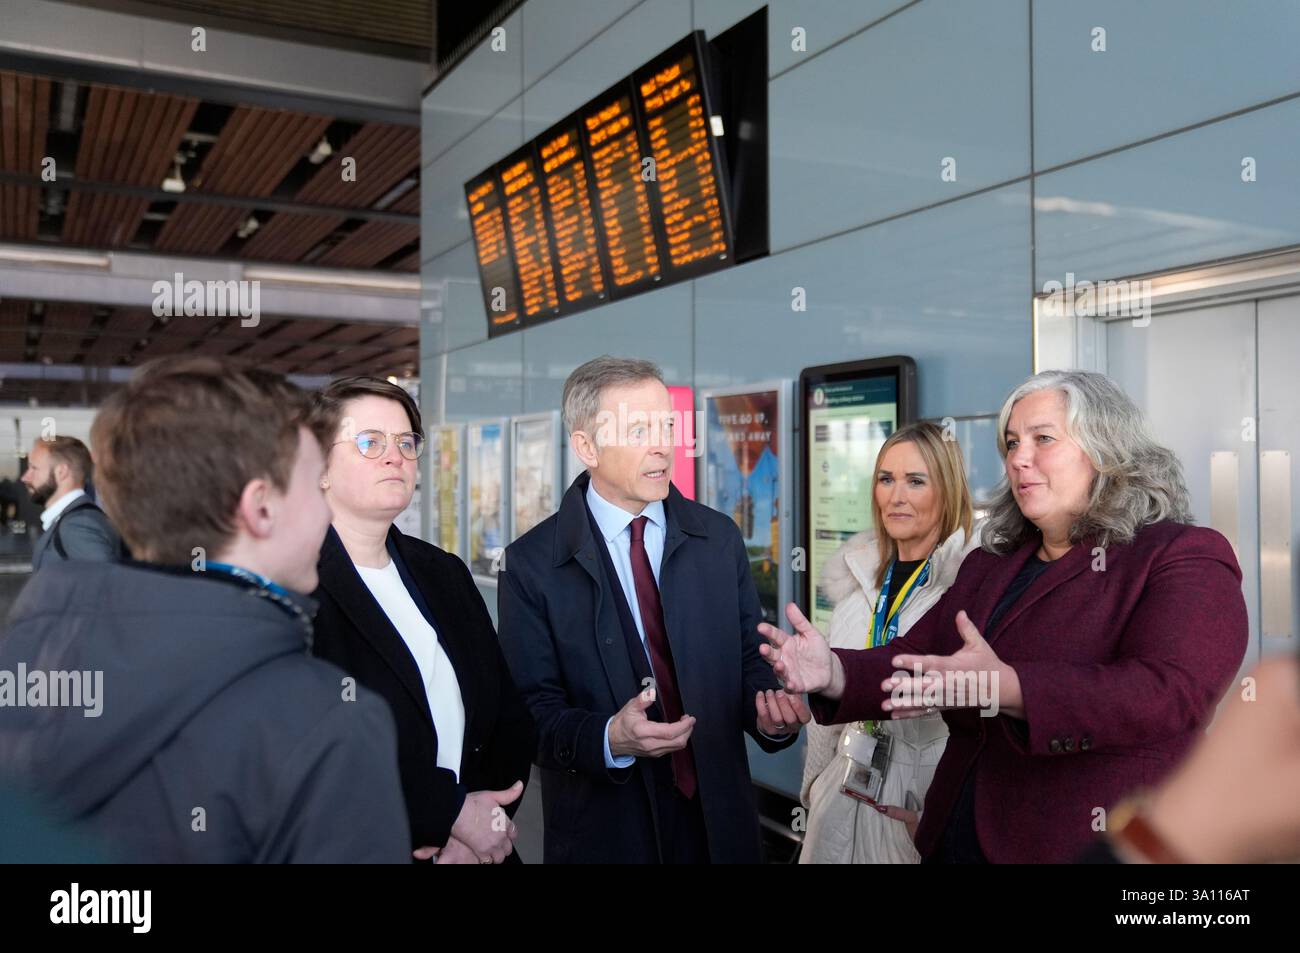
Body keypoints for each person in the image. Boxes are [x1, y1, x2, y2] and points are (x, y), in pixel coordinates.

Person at [761, 369, 1248, 863]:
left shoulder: (1182, 555)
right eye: (1012, 443)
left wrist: (1010, 688)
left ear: (1107, 450)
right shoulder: (992, 563)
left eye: (1043, 439)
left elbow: (1170, 693)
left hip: (1085, 846)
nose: (1019, 458)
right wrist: (834, 671)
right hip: (956, 838)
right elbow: (916, 657)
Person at [0, 357, 409, 862]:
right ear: (261, 509)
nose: (325, 508)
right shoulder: (327, 726)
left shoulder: (25, 671)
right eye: (312, 484)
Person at [498, 356, 810, 864]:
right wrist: (609, 738)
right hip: (607, 835)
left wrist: (771, 715)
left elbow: (750, 662)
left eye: (667, 425)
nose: (662, 444)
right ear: (586, 447)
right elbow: (528, 715)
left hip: (719, 824)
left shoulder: (718, 539)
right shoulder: (532, 565)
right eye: (638, 429)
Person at [311, 377, 535, 865]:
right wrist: (446, 818)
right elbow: (314, 751)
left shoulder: (443, 572)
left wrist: (480, 829)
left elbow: (507, 719)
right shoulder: (293, 585)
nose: (395, 457)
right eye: (370, 442)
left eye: (406, 442)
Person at [800, 421, 979, 863]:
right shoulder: (855, 587)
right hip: (839, 803)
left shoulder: (967, 592)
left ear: (948, 490)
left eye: (916, 481)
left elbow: (985, 726)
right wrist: (816, 788)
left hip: (916, 811)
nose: (895, 496)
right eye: (886, 479)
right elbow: (827, 718)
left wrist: (950, 823)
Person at [21, 435, 122, 570]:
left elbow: (106, 585)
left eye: (34, 468)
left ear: (61, 472)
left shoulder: (78, 525)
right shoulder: (74, 520)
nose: (25, 477)